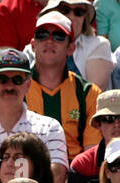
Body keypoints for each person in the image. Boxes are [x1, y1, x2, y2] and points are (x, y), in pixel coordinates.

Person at [0, 48, 68, 183]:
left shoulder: (49, 127)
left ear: (28, 85)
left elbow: (56, 180)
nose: (9, 86)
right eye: (2, 79)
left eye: (17, 80)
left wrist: (0, 181)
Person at [25, 9, 99, 163]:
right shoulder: (14, 88)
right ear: (33, 45)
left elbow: (91, 152)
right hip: (25, 167)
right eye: (42, 35)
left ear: (71, 48)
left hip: (73, 170)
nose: (49, 41)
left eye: (58, 36)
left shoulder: (89, 93)